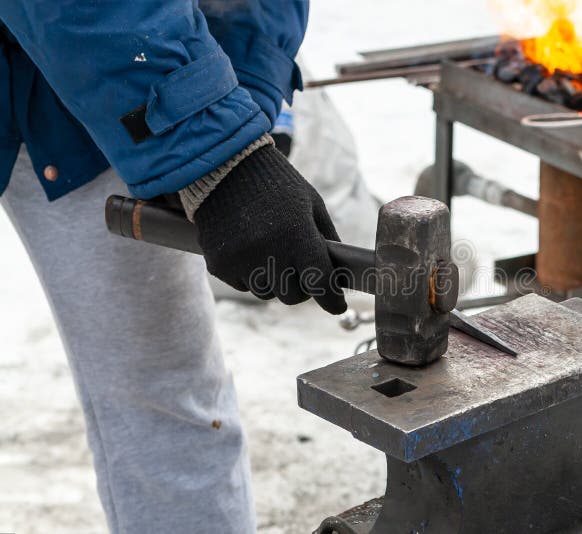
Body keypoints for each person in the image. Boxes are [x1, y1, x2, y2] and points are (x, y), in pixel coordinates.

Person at [0, 1, 339, 532]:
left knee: (171, 400)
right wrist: (223, 160)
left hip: (111, 75)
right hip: (103, 38)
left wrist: (238, 96)